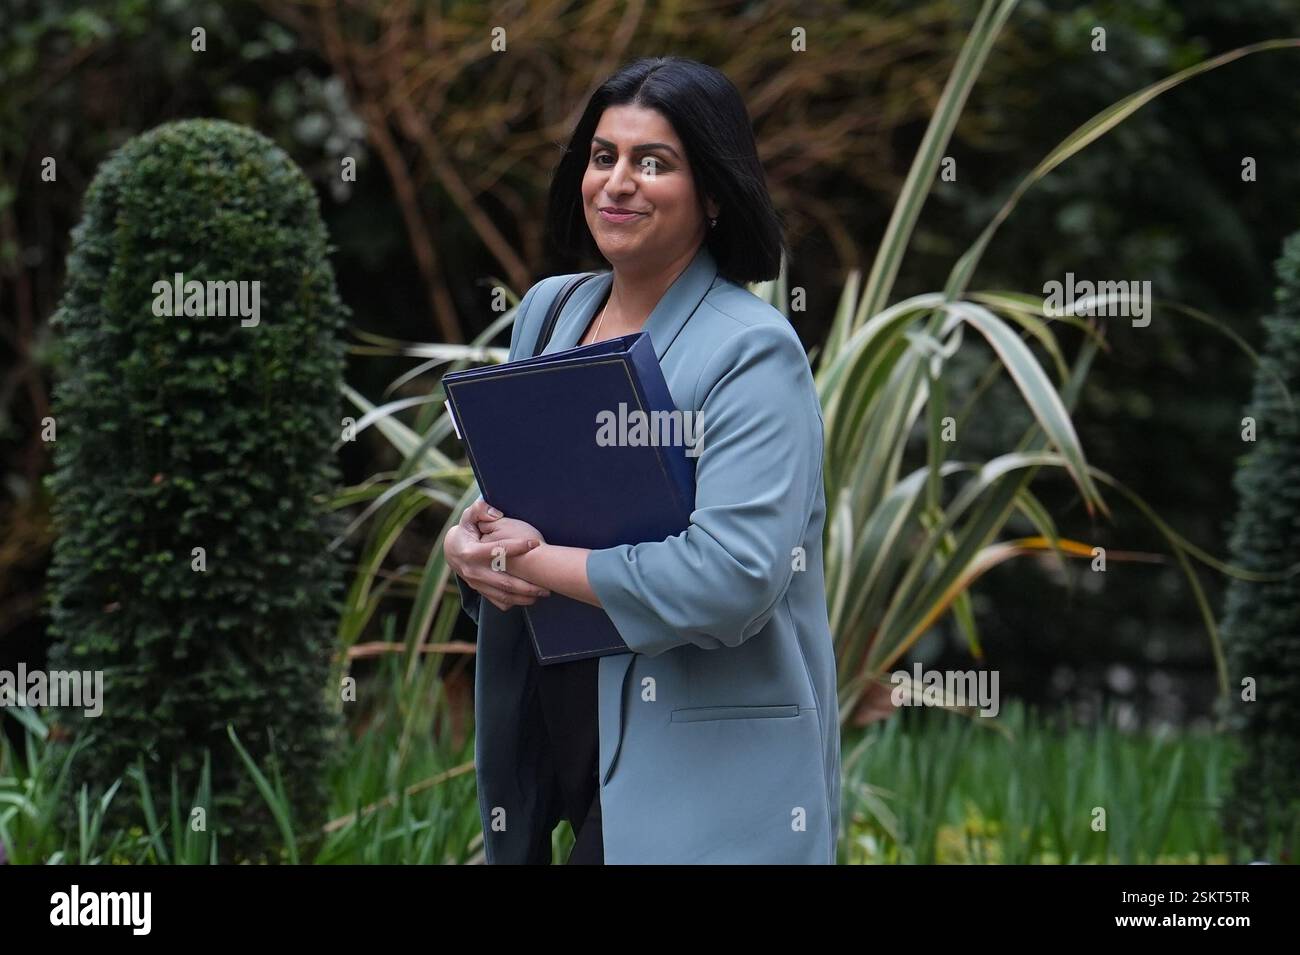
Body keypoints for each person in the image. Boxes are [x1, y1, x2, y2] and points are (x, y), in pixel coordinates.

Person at [444, 55, 841, 864]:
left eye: (652, 163)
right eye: (603, 157)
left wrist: (540, 560)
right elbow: (514, 506)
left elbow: (734, 578)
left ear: (716, 193)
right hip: (557, 731)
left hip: (698, 775)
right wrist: (470, 549)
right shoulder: (550, 310)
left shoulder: (752, 352)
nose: (617, 182)